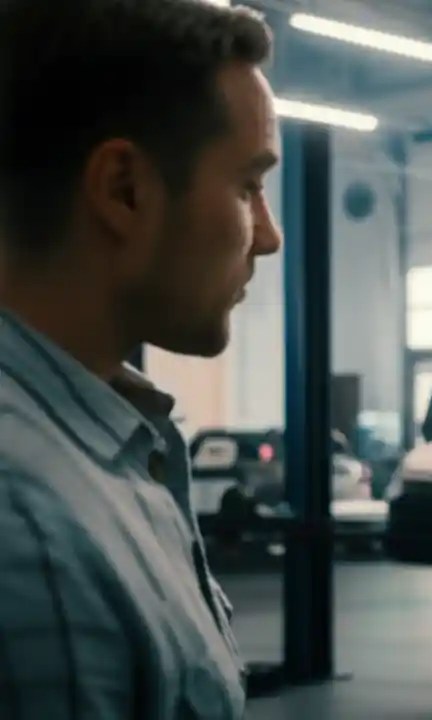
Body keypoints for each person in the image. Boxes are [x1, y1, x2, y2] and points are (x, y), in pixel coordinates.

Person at [0, 0, 282, 717]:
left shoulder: (109, 445)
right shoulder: (34, 538)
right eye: (248, 186)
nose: (268, 235)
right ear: (125, 191)